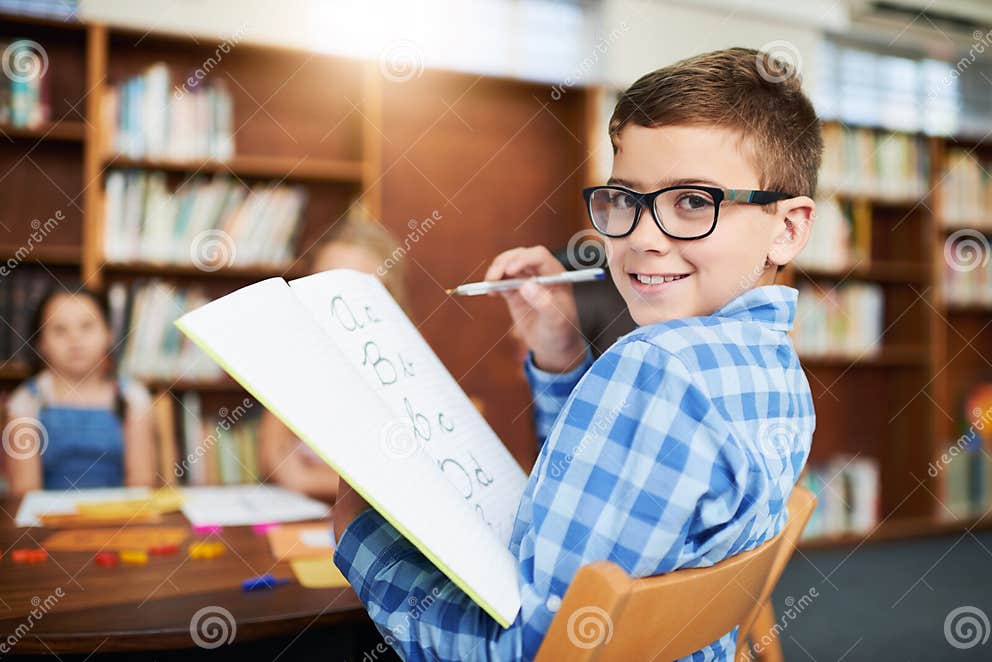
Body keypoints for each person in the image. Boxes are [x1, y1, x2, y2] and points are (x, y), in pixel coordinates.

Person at [331, 47, 819, 660]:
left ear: (789, 228)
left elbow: (527, 652)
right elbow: (615, 498)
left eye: (693, 201)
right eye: (627, 199)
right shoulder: (772, 371)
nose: (643, 238)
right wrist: (561, 356)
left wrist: (361, 539)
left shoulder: (656, 368)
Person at [258, 205, 407, 502]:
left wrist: (307, 480)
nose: (337, 303)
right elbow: (274, 458)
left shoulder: (402, 374)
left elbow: (400, 481)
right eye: (324, 285)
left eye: (353, 288)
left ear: (388, 297)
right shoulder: (299, 364)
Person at [4, 288, 156, 494]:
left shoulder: (132, 396)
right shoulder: (27, 400)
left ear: (108, 334)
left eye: (87, 326)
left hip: (119, 519)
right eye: (59, 330)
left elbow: (141, 483)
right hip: (49, 520)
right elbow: (25, 491)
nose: (75, 339)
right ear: (41, 344)